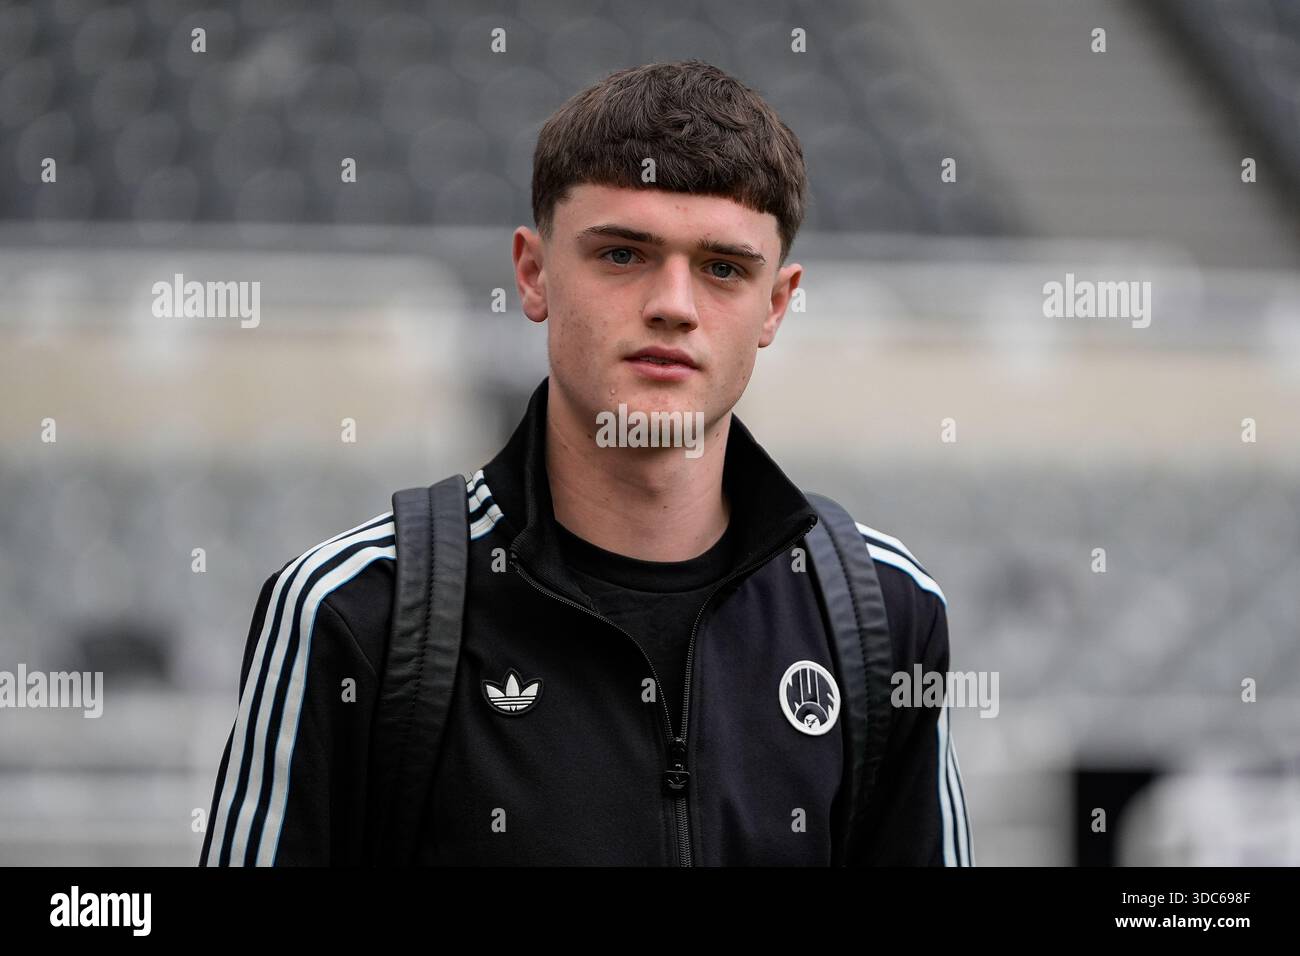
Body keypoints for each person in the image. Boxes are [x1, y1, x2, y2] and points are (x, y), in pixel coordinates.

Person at [200, 59, 973, 867]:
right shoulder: (354, 611)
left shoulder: (882, 613)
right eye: (622, 254)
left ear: (775, 304)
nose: (673, 304)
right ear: (533, 274)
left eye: (722, 269)